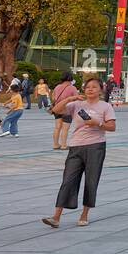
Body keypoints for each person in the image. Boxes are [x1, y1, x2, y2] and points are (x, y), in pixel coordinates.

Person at [42, 76, 115, 228]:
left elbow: (112, 127)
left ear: (100, 89)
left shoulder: (105, 107)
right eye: (88, 87)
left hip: (96, 147)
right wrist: (71, 98)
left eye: (94, 87)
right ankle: (56, 217)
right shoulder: (77, 104)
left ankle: (84, 214)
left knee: (91, 180)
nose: (90, 89)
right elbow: (54, 110)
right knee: (67, 180)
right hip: (76, 146)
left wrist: (98, 123)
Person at [51, 72, 79, 150]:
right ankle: (63, 145)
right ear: (70, 78)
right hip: (67, 110)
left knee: (57, 127)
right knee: (65, 128)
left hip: (57, 109)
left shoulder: (57, 87)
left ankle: (55, 144)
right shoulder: (72, 88)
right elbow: (76, 98)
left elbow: (53, 98)